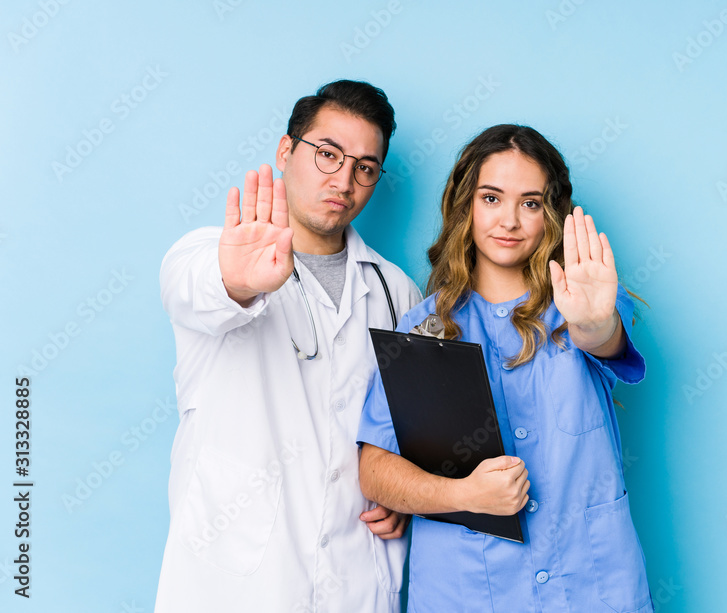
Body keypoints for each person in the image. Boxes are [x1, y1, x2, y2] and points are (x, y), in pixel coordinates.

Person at [357, 124, 653, 612]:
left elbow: (602, 340)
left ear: (550, 215)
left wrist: (597, 324)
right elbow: (375, 472)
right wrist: (462, 493)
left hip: (591, 585)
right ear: (466, 205)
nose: (510, 220)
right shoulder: (423, 326)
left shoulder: (579, 305)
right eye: (491, 198)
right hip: (469, 589)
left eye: (531, 203)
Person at [155, 80, 422, 613]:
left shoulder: (397, 291)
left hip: (357, 580)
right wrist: (238, 280)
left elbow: (405, 431)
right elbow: (199, 290)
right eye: (327, 154)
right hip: (239, 585)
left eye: (365, 167)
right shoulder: (208, 254)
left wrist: (407, 497)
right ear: (286, 151)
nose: (344, 180)